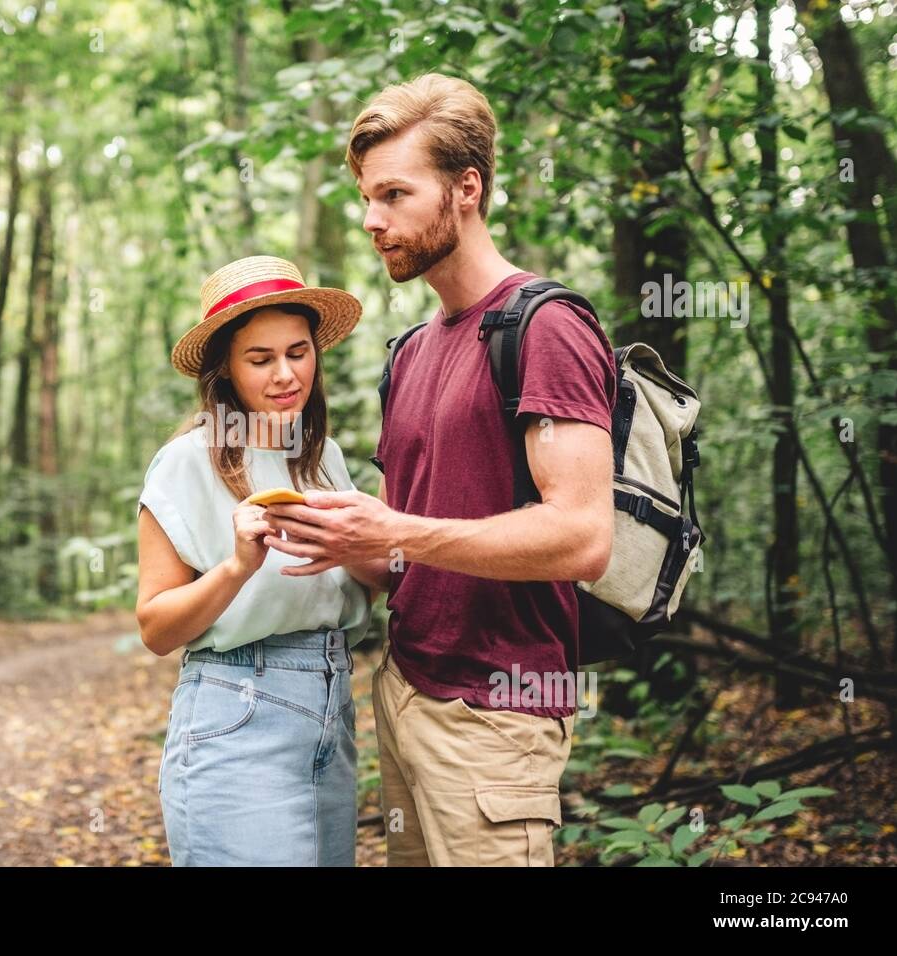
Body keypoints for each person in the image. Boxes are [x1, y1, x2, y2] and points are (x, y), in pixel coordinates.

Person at [262, 74, 617, 866]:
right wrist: (345, 539)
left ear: (467, 189)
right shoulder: (412, 354)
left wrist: (397, 530)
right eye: (365, 196)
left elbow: (583, 536)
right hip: (404, 693)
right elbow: (415, 558)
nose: (370, 219)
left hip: (499, 714)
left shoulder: (546, 326)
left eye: (394, 193)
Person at [135, 254, 381, 866]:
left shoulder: (328, 461)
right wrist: (236, 566)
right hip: (237, 710)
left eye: (297, 352)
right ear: (225, 369)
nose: (284, 374)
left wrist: (367, 547)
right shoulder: (187, 463)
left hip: (332, 707)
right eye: (260, 359)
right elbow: (156, 628)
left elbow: (370, 585)